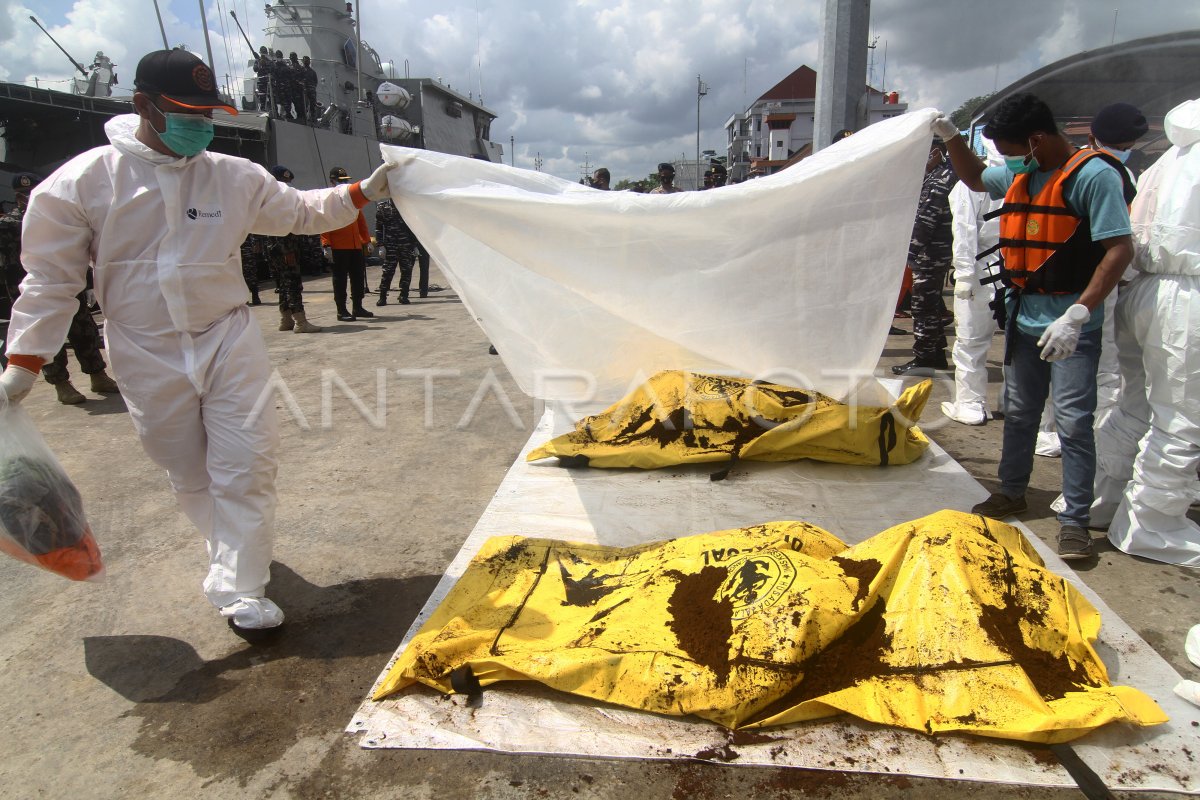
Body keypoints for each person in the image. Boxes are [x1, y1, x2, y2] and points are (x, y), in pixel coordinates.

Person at [0, 50, 396, 631]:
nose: (202, 126)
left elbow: (300, 212)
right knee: (187, 471)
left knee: (248, 465)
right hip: (143, 348)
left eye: (208, 114)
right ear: (144, 105)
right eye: (188, 114)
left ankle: (242, 587)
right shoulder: (80, 184)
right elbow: (51, 281)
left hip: (227, 336)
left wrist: (362, 191)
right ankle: (230, 547)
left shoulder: (233, 176)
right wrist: (24, 362)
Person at [937, 92, 1135, 560]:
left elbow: (1119, 249)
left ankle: (1075, 521)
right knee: (1020, 412)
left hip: (1071, 325)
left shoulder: (1093, 176)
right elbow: (975, 177)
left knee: (1073, 422)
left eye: (1011, 150)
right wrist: (949, 137)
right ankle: (1011, 491)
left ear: (1037, 139)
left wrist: (1079, 313)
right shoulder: (1023, 172)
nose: (1007, 161)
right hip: (1024, 317)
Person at [1090, 98, 1200, 566]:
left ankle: (1104, 499)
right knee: (1181, 418)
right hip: (1187, 298)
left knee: (1134, 403)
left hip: (1143, 289)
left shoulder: (1169, 160)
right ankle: (1152, 524)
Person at [941, 140, 1003, 425]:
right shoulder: (1032, 177)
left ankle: (970, 403)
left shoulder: (972, 183)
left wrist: (964, 274)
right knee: (1017, 347)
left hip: (981, 273)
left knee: (971, 342)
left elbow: (965, 231)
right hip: (1015, 271)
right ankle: (1015, 401)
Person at [892, 140, 959, 375]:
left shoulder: (940, 179)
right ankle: (936, 353)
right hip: (934, 251)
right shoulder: (941, 174)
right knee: (930, 305)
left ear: (936, 153)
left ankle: (925, 358)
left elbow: (926, 221)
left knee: (923, 307)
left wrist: (909, 252)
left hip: (931, 253)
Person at [265, 165, 321, 333]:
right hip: (286, 248)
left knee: (283, 283)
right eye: (285, 181)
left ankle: (286, 319)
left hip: (275, 248)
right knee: (293, 283)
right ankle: (300, 322)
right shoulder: (281, 200)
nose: (287, 184)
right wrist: (287, 250)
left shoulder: (268, 199)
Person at [323, 166, 374, 321]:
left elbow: (361, 222)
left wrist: (366, 240)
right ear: (332, 182)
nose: (343, 184)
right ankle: (341, 310)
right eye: (340, 181)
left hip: (355, 245)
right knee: (340, 280)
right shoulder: (329, 200)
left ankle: (357, 307)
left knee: (358, 277)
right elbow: (324, 222)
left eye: (345, 181)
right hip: (338, 246)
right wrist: (326, 244)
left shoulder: (351, 199)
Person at [374, 197, 416, 305]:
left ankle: (404, 295)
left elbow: (413, 226)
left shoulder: (407, 205)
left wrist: (415, 245)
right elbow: (379, 227)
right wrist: (380, 245)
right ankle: (383, 296)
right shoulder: (382, 207)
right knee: (387, 271)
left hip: (405, 243)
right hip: (390, 244)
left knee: (406, 270)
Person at [286, 52, 306, 123]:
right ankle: (301, 117)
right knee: (299, 105)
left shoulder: (291, 68)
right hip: (296, 89)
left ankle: (300, 118)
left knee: (298, 105)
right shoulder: (300, 67)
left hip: (295, 89)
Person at [300, 55, 319, 125]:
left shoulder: (312, 72)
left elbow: (316, 81)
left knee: (312, 105)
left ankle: (312, 118)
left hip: (311, 90)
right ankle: (305, 117)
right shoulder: (301, 70)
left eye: (307, 60)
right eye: (305, 60)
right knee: (305, 104)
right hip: (305, 90)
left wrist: (311, 87)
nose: (306, 61)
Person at [253, 46, 271, 113]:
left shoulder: (269, 61)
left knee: (271, 96)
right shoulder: (257, 60)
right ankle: (263, 110)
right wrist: (259, 64)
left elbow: (271, 69)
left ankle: (272, 110)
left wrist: (265, 64)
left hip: (268, 81)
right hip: (261, 81)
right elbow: (255, 69)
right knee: (262, 97)